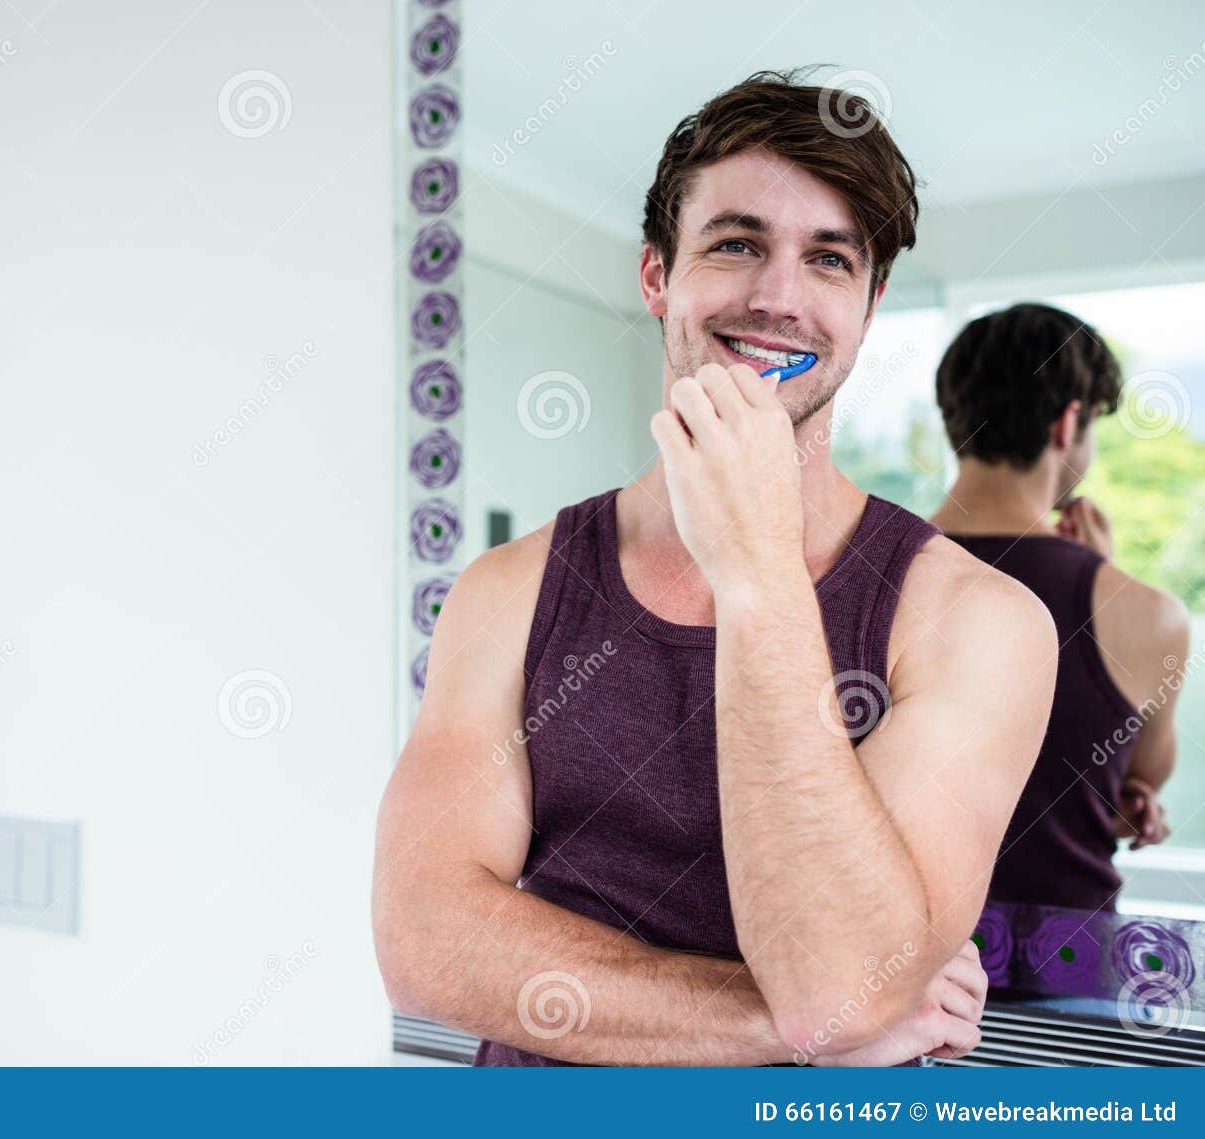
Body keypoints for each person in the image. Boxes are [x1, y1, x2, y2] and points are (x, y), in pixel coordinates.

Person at [372, 69, 1058, 1067]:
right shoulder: (510, 590)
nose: (777, 297)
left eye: (828, 259)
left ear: (867, 307)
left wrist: (756, 569)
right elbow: (426, 946)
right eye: (735, 243)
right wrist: (788, 1022)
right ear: (657, 275)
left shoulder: (974, 620)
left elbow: (840, 982)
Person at [928, 303, 1191, 913]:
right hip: (1070, 973)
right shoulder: (1152, 616)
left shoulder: (861, 570)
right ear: (1068, 424)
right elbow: (1134, 788)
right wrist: (1105, 581)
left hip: (900, 973)